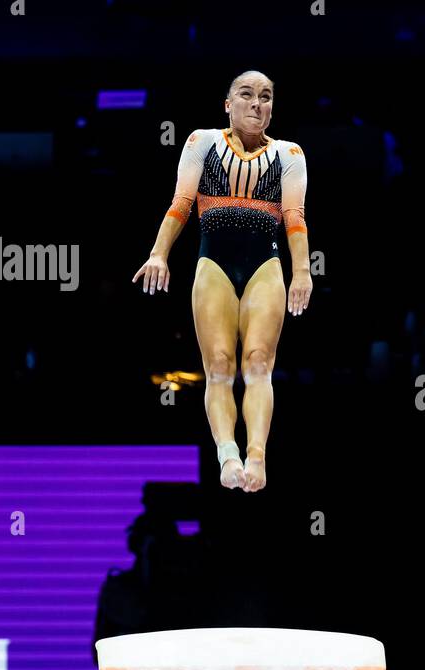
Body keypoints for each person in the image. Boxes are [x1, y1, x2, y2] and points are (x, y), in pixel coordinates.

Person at [133, 70, 312, 492]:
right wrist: (159, 252)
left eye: (266, 97)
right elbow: (181, 203)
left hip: (264, 265)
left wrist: (302, 270)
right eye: (246, 95)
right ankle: (227, 454)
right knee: (218, 366)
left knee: (258, 364)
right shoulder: (202, 142)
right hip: (213, 262)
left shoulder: (290, 153)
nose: (257, 103)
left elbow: (294, 216)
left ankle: (256, 456)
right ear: (227, 105)